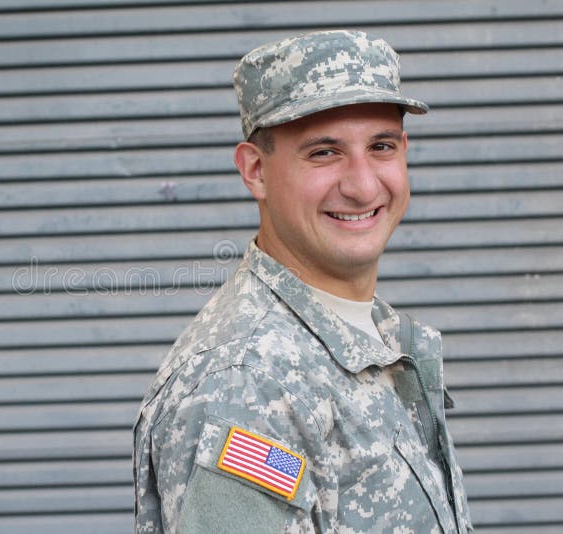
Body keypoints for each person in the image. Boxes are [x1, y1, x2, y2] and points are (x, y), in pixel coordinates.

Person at [133, 29, 473, 533]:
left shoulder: (368, 332)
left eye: (381, 146)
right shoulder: (248, 384)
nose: (362, 186)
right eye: (323, 153)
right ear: (256, 171)